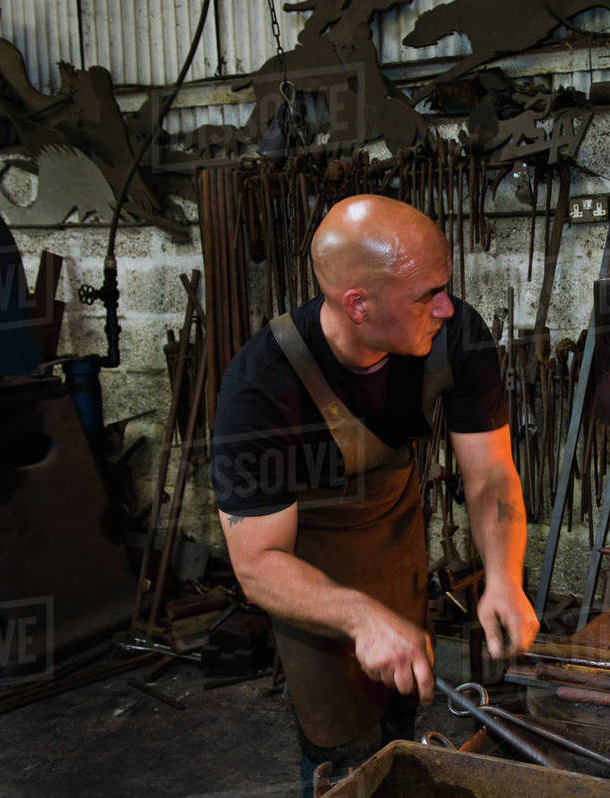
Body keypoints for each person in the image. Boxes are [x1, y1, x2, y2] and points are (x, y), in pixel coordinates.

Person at [210, 195, 538, 791]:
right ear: (358, 304)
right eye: (425, 296)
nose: (446, 306)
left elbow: (490, 473)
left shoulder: (456, 333)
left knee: (401, 725)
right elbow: (256, 564)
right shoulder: (262, 387)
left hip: (395, 545)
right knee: (345, 755)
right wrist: (360, 617)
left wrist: (503, 576)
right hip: (308, 576)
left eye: (445, 287)